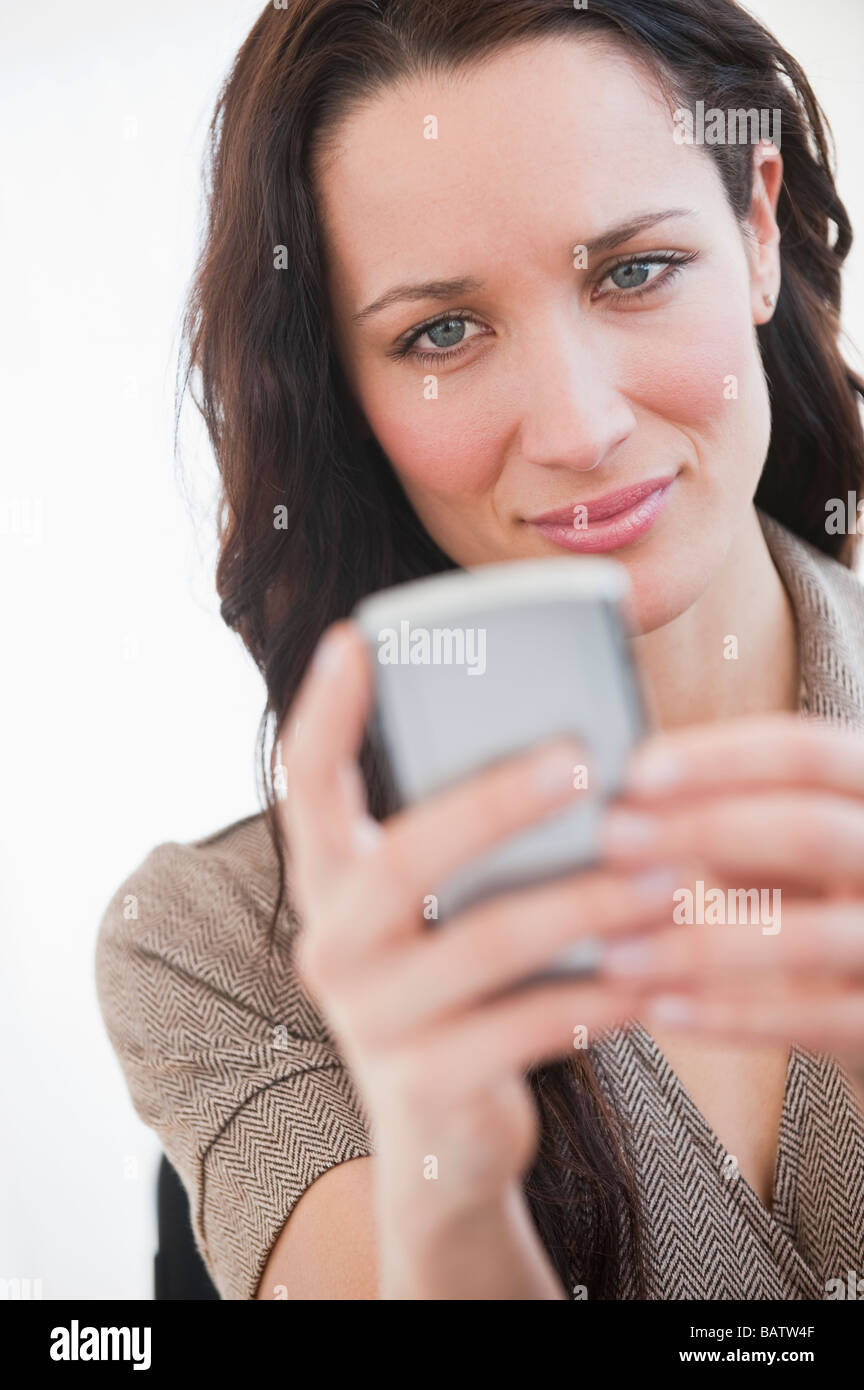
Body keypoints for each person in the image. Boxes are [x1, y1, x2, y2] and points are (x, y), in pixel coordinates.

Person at [95, 0, 864, 1300]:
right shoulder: (220, 942)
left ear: (755, 225)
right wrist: (451, 1193)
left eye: (633, 269)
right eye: (439, 333)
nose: (578, 424)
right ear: (350, 394)